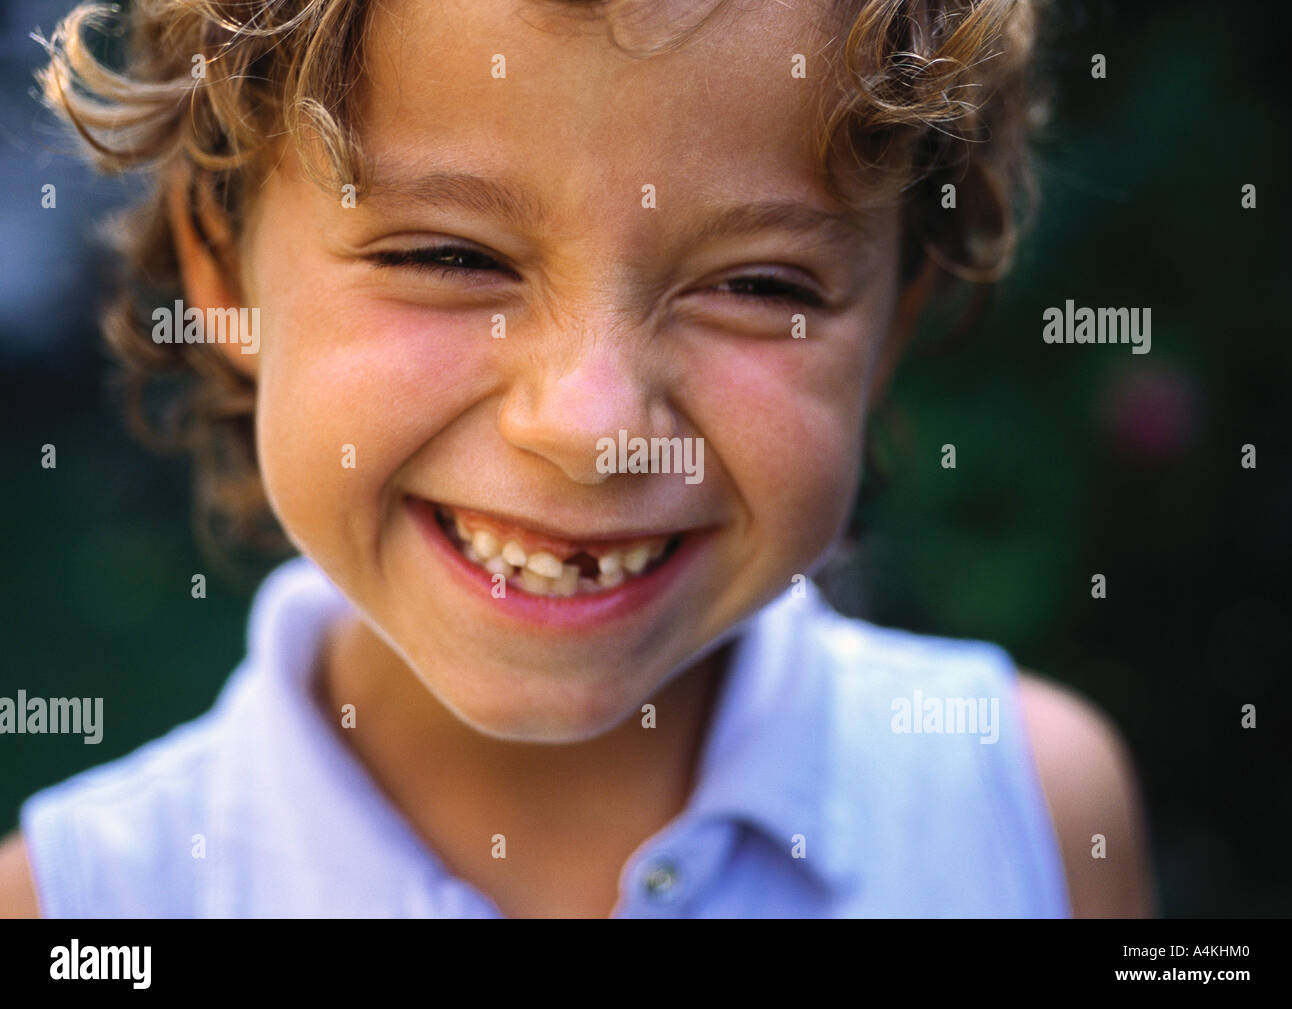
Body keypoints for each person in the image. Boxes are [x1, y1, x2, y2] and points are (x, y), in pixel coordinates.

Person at [0, 0, 1153, 918]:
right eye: (450, 256)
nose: (592, 425)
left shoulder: (1032, 817)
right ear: (225, 276)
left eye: (757, 285)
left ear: (889, 328)